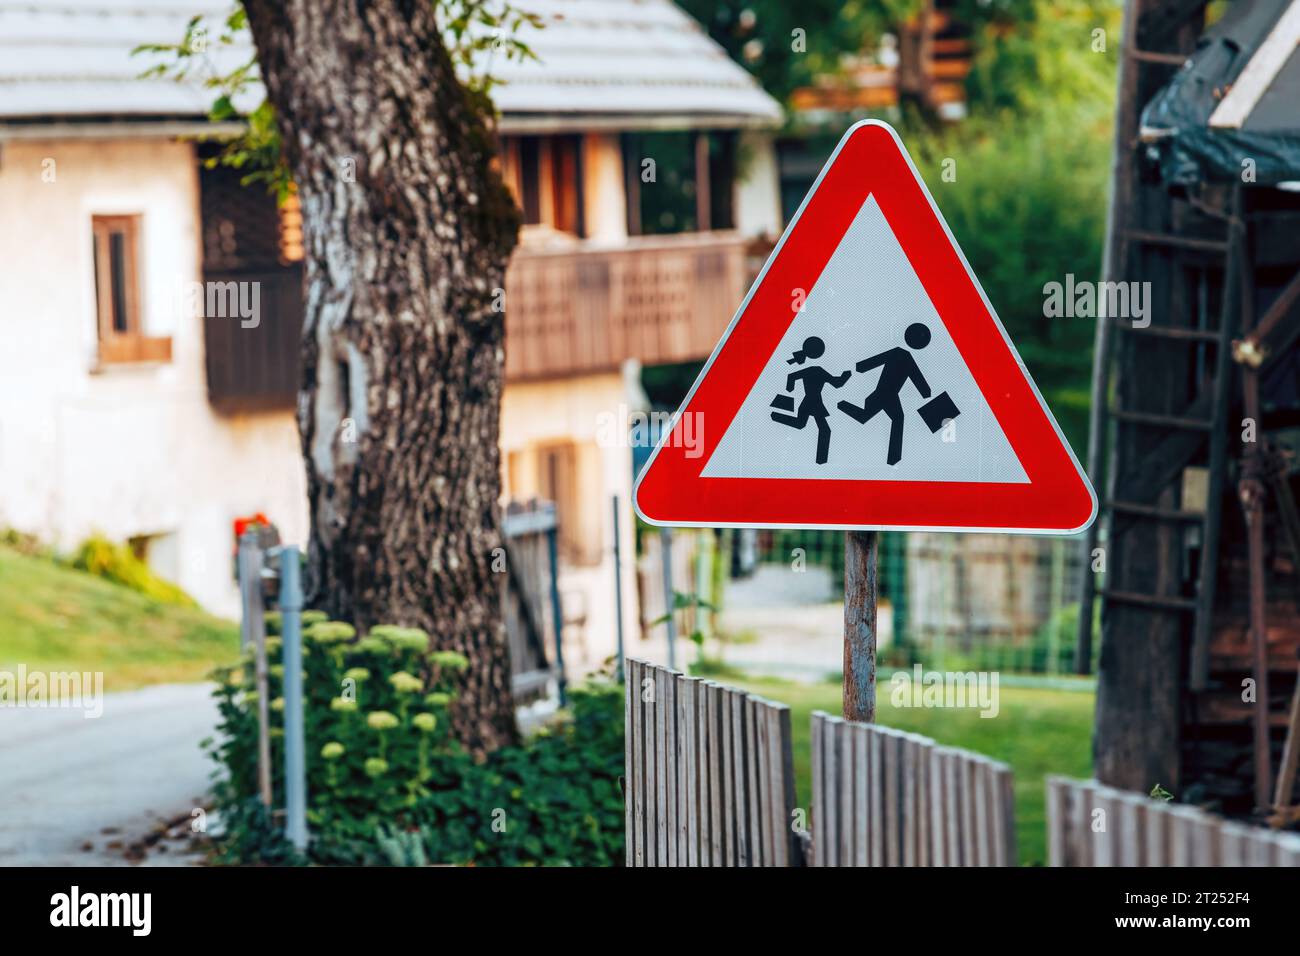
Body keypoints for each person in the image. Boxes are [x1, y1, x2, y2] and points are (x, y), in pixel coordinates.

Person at [837, 322, 932, 466]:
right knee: (897, 418)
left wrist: (860, 367)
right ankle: (893, 460)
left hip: (883, 394)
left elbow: (916, 378)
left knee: (866, 416)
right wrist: (926, 393)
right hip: (887, 394)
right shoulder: (904, 356)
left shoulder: (901, 355)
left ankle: (841, 404)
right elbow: (918, 379)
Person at [771, 336, 851, 465]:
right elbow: (837, 383)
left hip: (809, 401)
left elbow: (792, 376)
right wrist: (846, 376)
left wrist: (789, 388)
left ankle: (776, 416)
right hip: (813, 401)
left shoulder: (812, 370)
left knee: (801, 424)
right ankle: (821, 462)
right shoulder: (818, 371)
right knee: (824, 430)